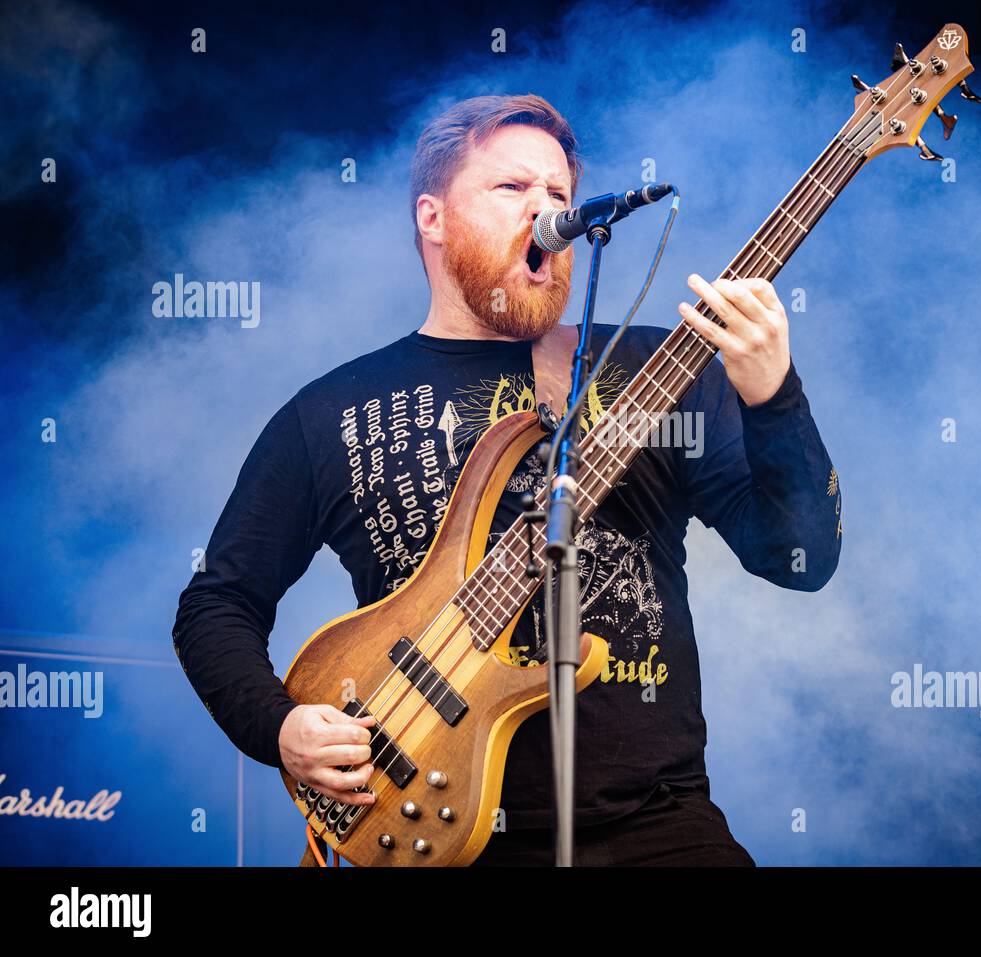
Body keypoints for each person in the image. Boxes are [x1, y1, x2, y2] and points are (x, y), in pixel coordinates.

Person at [171, 92, 842, 866]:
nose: (547, 211)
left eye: (558, 193)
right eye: (511, 189)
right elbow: (217, 603)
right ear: (432, 218)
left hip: (657, 826)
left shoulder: (662, 370)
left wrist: (774, 394)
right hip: (429, 824)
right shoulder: (330, 412)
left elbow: (801, 558)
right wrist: (280, 727)